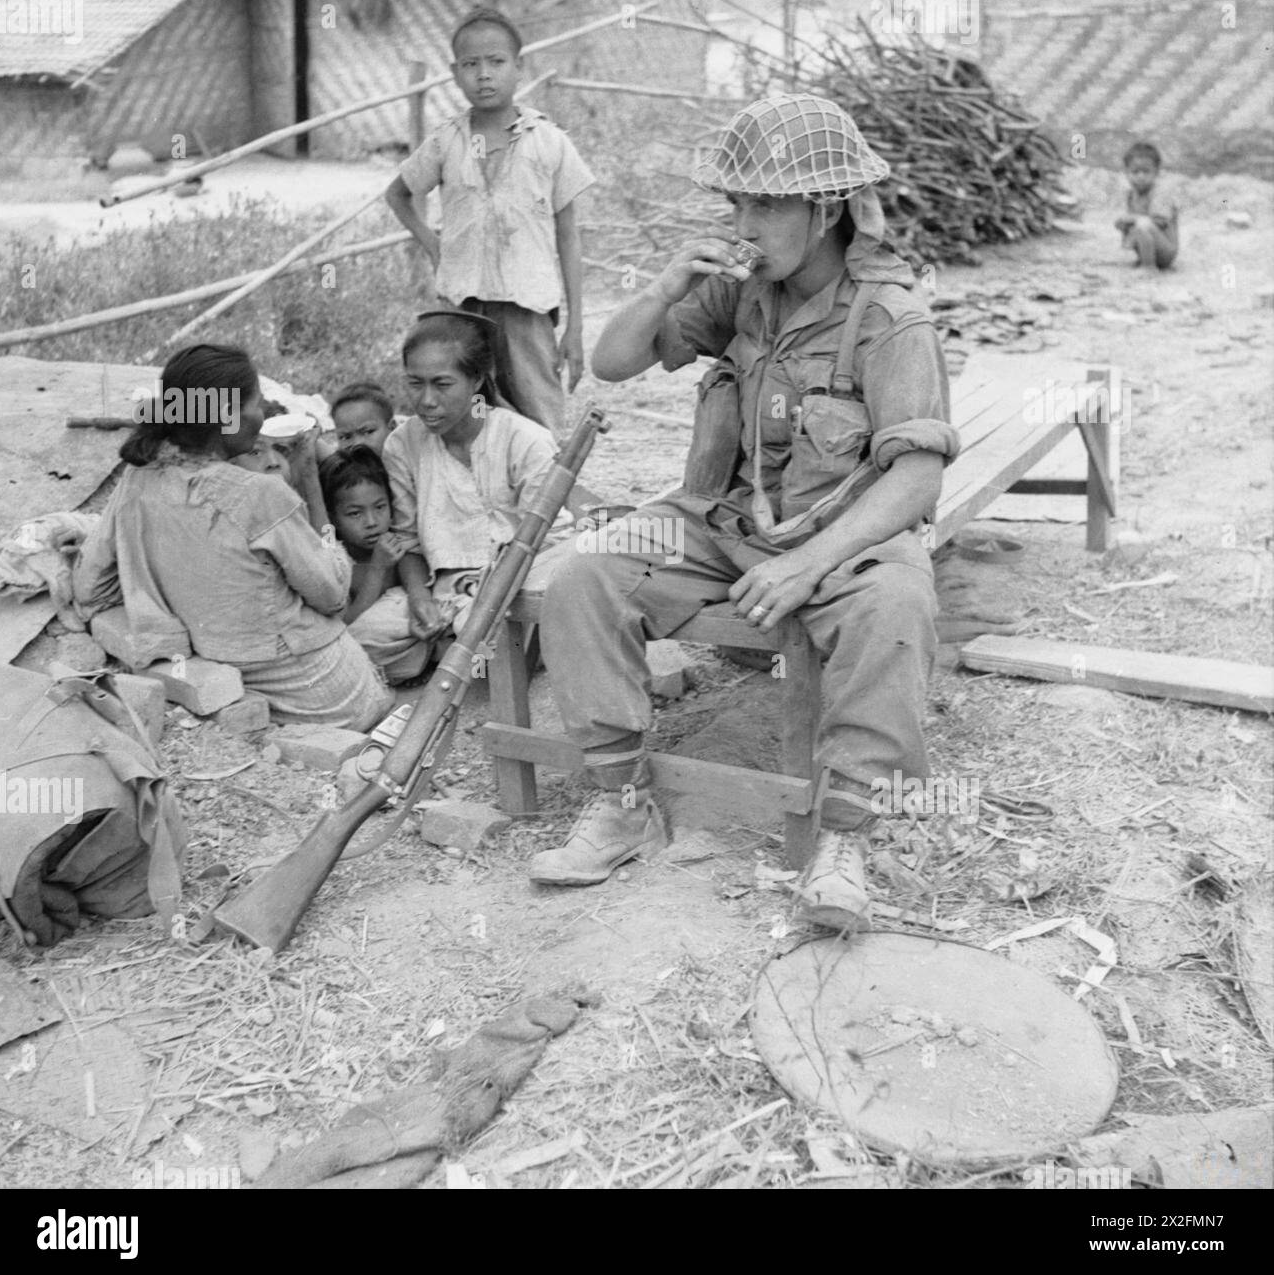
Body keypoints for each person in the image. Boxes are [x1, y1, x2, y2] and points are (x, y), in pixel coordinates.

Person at [528, 94, 961, 935]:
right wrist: (664, 287)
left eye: (765, 203)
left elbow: (914, 482)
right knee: (587, 572)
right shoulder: (741, 295)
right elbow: (613, 364)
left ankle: (844, 841)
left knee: (897, 607)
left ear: (825, 207)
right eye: (737, 202)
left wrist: (805, 564)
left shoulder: (889, 320)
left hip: (841, 543)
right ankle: (620, 804)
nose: (743, 221)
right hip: (729, 526)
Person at [73, 344, 392, 731]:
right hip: (327, 695)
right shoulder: (260, 495)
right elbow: (333, 594)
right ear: (227, 417)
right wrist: (311, 488)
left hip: (230, 679)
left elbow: (91, 585)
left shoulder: (137, 478)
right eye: (256, 402)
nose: (260, 413)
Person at [384, 6, 594, 437]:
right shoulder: (446, 141)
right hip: (462, 307)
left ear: (519, 68)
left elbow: (568, 236)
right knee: (467, 415)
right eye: (471, 64)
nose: (484, 74)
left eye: (496, 62)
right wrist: (433, 244)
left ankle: (544, 499)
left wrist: (574, 327)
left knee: (539, 419)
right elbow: (400, 194)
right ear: (454, 72)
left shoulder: (548, 142)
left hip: (527, 308)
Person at [382, 311, 565, 642]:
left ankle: (461, 648)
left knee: (478, 630)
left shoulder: (524, 440)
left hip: (518, 586)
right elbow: (406, 541)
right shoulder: (402, 444)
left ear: (477, 379)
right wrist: (420, 599)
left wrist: (488, 590)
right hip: (443, 592)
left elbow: (550, 543)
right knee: (366, 636)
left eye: (442, 384)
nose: (426, 401)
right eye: (414, 383)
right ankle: (454, 645)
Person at [319, 444, 432, 685]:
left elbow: (419, 588)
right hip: (374, 638)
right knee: (357, 639)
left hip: (412, 628)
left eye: (380, 507)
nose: (371, 522)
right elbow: (346, 622)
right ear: (333, 519)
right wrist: (378, 568)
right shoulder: (338, 560)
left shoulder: (398, 540)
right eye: (355, 513)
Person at [1114, 141, 1179, 270]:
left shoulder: (1160, 193)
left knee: (1143, 224)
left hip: (1165, 251)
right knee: (1132, 222)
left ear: (1156, 173)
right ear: (1127, 172)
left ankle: (1148, 267)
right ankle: (1144, 259)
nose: (1141, 176)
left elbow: (1160, 221)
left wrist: (1133, 219)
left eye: (1146, 172)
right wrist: (1123, 223)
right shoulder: (1131, 194)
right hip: (1148, 245)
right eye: (1135, 172)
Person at [330, 382, 397, 456]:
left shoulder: (408, 463)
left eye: (368, 432)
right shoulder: (341, 465)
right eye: (345, 437)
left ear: (392, 429)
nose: (357, 444)